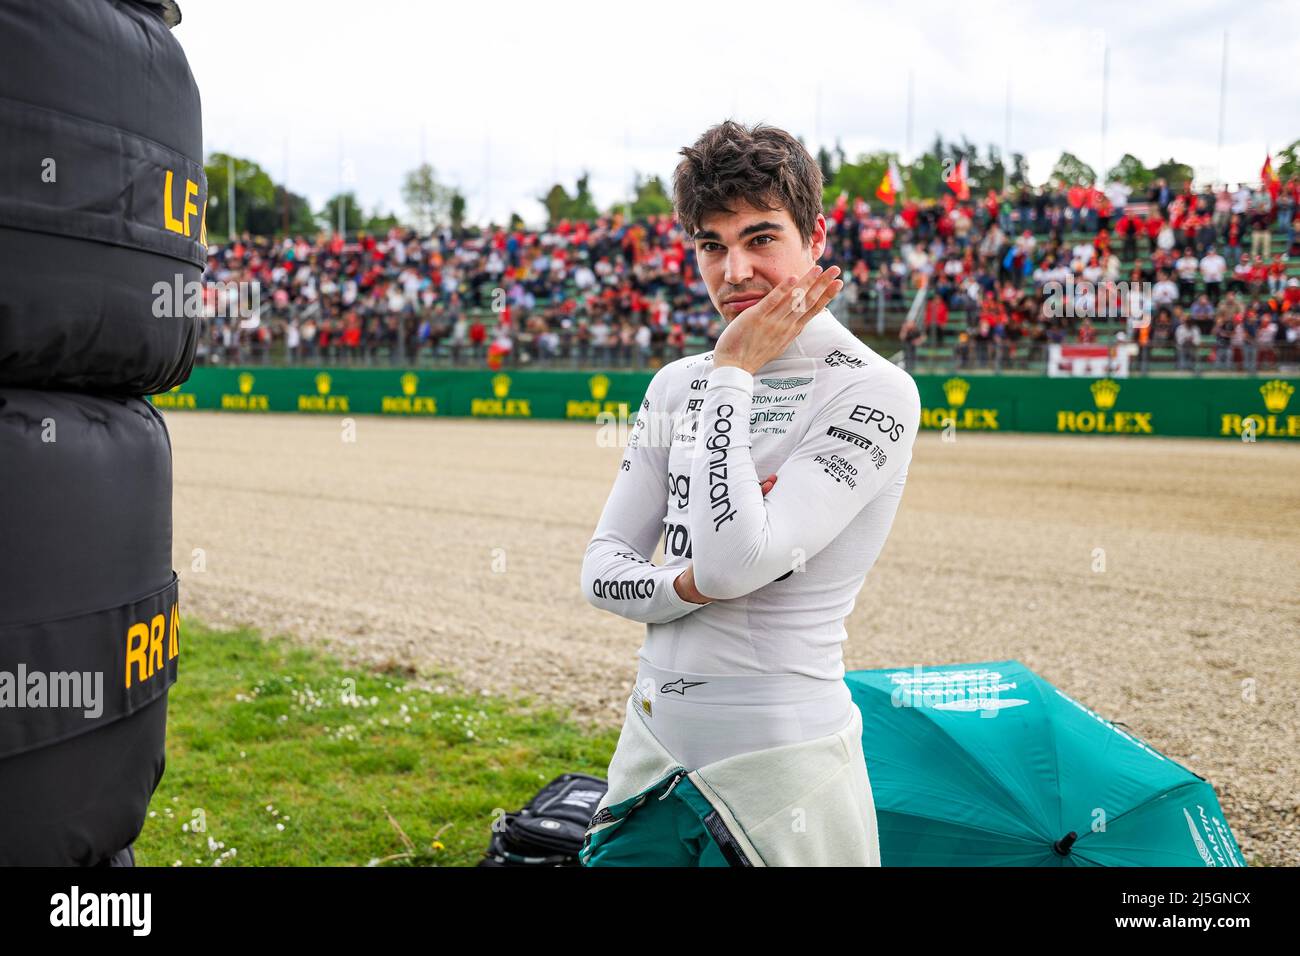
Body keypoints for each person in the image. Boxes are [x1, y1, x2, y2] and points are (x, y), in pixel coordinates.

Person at [580, 120, 920, 867]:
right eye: (711, 244)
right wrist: (693, 579)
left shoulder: (877, 391)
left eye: (760, 238)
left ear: (817, 237)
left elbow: (736, 566)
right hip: (651, 754)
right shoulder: (676, 381)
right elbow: (600, 570)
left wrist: (733, 374)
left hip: (785, 770)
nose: (734, 270)